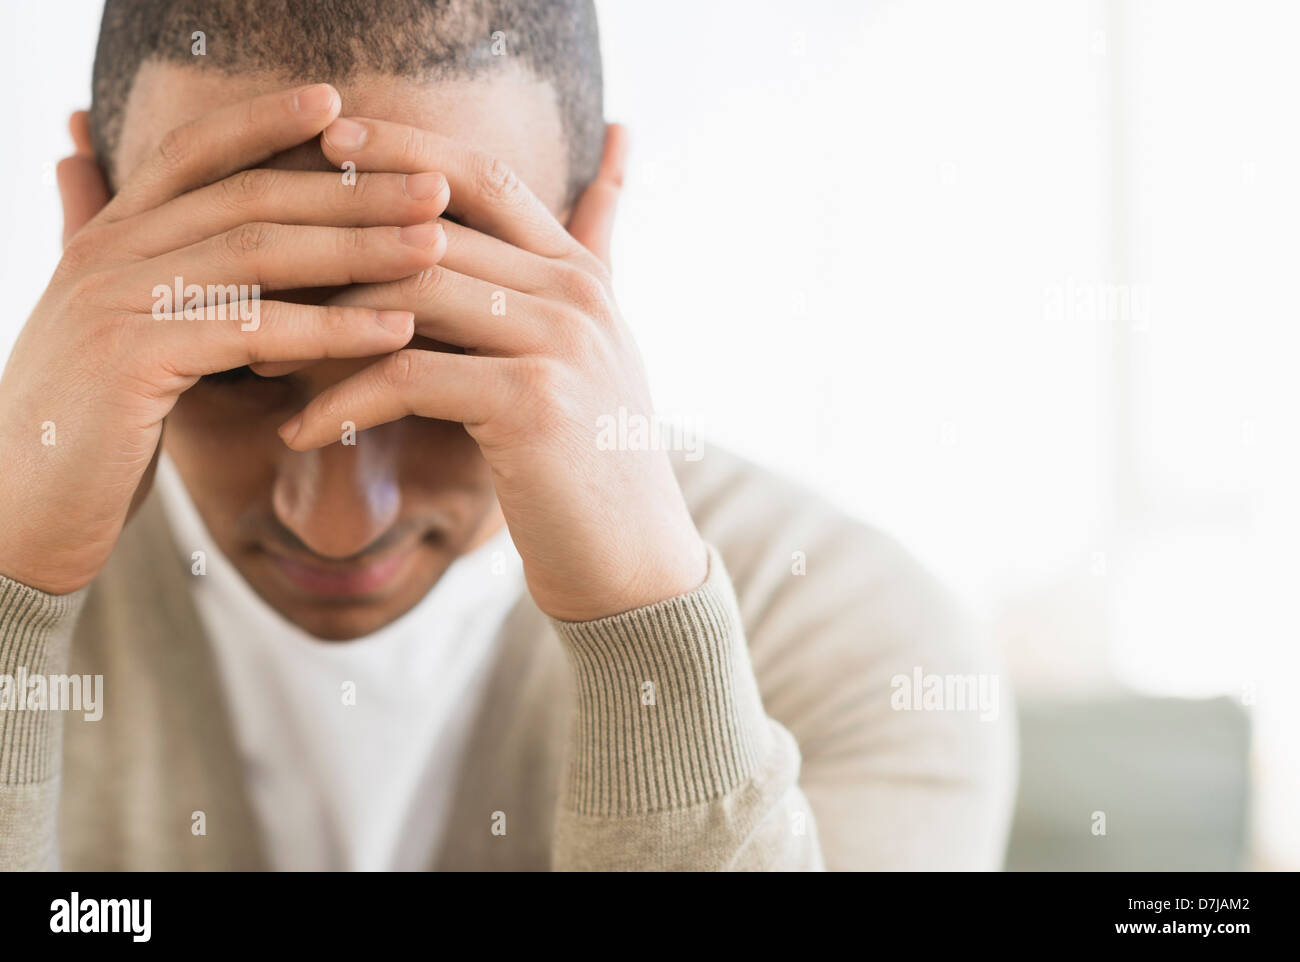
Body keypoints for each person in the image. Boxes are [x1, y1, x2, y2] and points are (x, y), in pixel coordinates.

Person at [0, 0, 1015, 871]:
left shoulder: (850, 652)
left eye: (445, 370)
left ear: (591, 242)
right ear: (85, 234)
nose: (341, 522)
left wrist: (648, 638)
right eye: (229, 367)